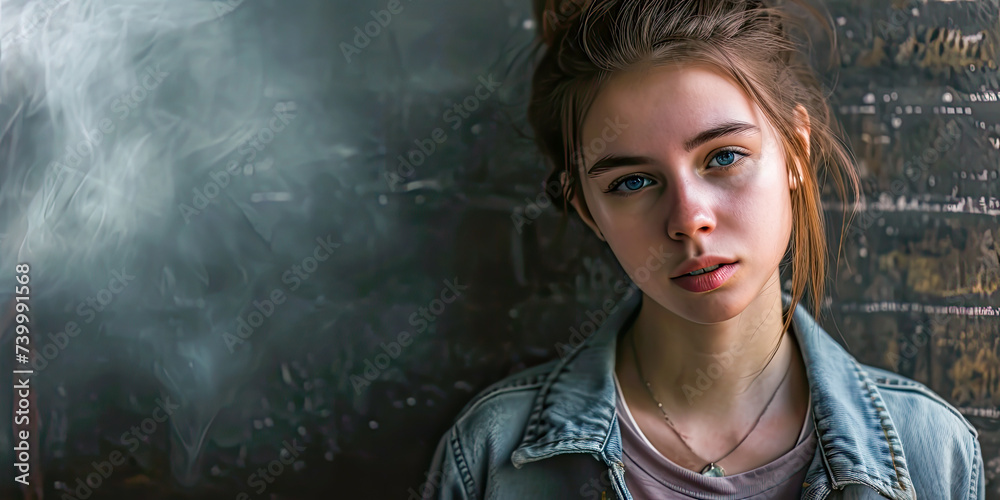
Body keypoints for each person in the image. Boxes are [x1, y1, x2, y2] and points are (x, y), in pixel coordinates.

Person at [420, 0, 986, 498]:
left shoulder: (932, 452)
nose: (689, 220)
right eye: (632, 182)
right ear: (587, 209)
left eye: (724, 157)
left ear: (795, 151)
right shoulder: (492, 457)